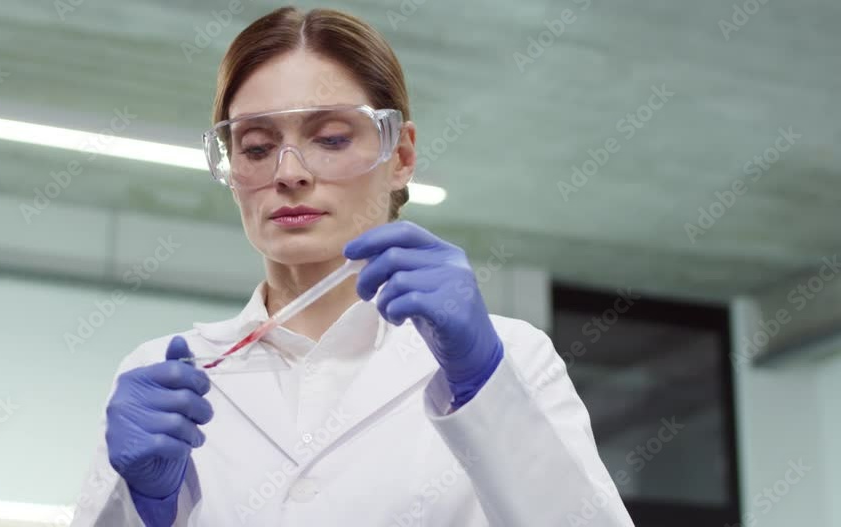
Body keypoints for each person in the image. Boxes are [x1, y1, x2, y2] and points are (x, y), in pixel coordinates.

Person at [71, 6, 633, 526]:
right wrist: (138, 505)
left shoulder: (510, 358)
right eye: (258, 147)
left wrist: (483, 383)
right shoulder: (168, 378)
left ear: (402, 157)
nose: (289, 173)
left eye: (332, 138)